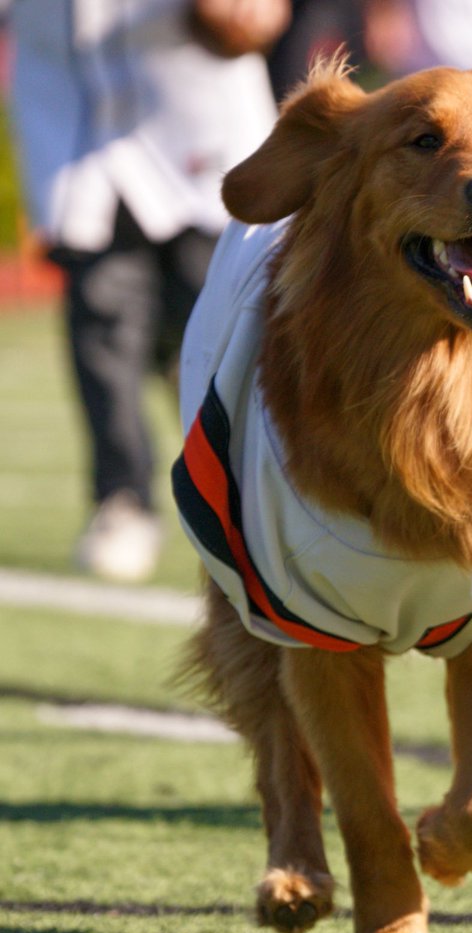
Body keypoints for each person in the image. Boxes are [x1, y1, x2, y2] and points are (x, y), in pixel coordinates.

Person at [8, 0, 286, 581]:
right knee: (102, 321)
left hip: (196, 118)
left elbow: (257, 16)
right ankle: (123, 498)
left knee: (224, 323)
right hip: (69, 111)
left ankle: (262, 493)